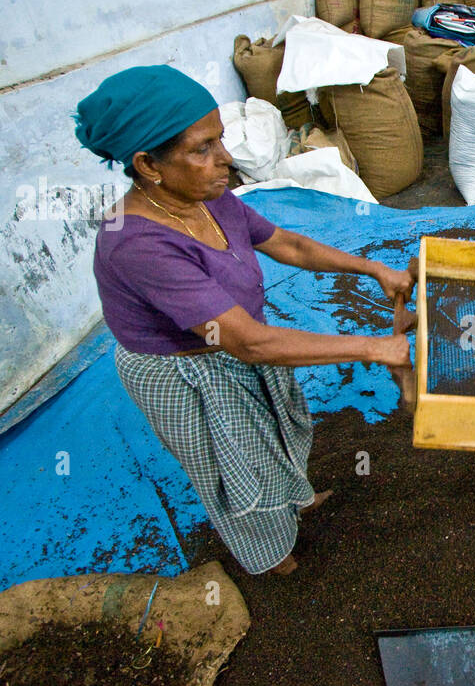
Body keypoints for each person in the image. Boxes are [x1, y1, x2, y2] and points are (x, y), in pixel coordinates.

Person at [75, 65, 413, 577]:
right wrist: (374, 347)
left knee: (282, 432)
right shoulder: (136, 243)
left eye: (221, 140)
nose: (225, 160)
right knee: (237, 471)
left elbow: (289, 244)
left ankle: (294, 497)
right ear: (148, 164)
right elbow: (250, 344)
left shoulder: (208, 198)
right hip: (189, 373)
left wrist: (373, 268)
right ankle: (274, 557)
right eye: (202, 148)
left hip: (243, 346)